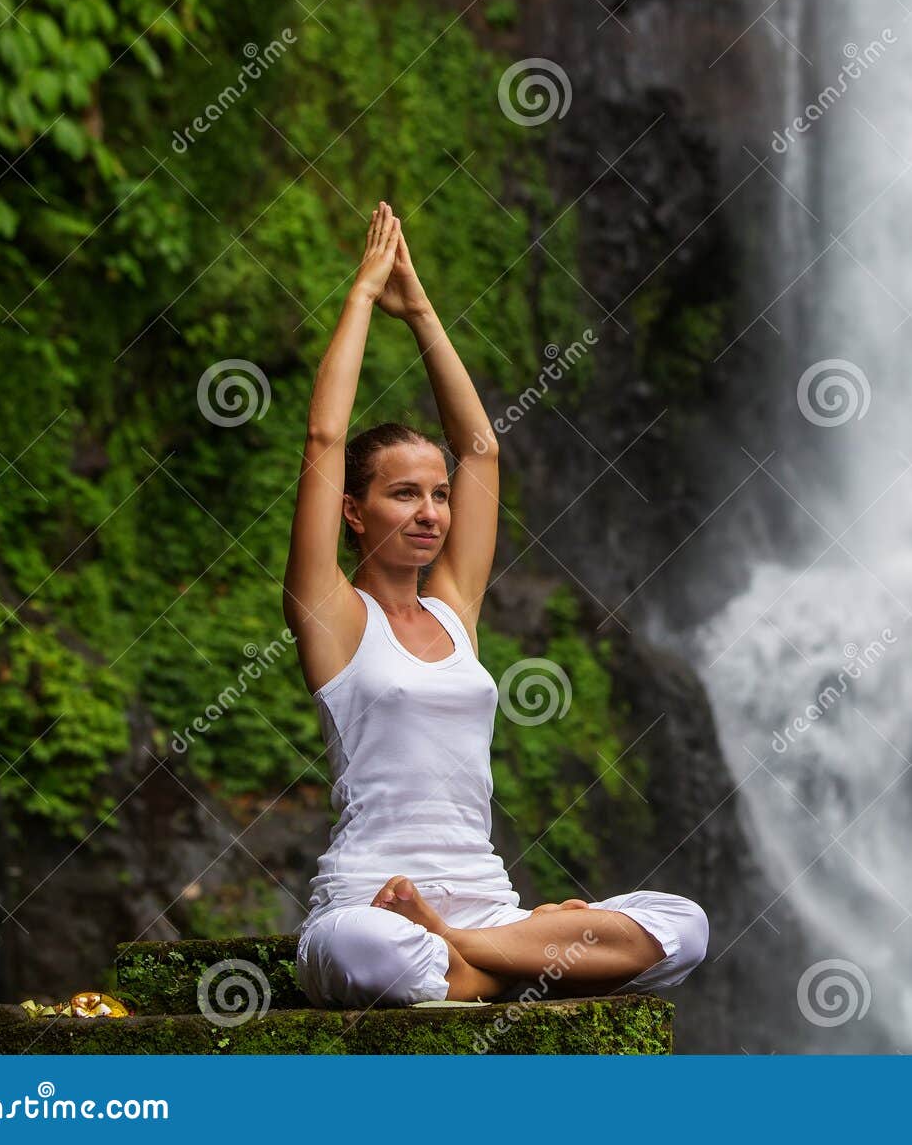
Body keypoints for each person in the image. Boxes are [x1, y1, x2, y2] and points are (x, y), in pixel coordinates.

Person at [283, 201, 708, 1007]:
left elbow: (481, 447)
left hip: (484, 902)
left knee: (683, 924)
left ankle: (469, 952)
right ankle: (512, 959)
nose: (430, 512)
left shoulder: (453, 608)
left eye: (438, 496)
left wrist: (423, 311)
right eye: (403, 494)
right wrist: (365, 299)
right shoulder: (332, 618)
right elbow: (322, 441)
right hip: (372, 903)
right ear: (352, 510)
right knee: (379, 952)